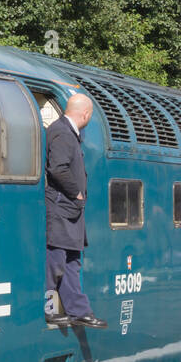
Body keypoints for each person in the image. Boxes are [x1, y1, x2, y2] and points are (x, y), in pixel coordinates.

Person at [45, 93, 106, 328]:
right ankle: (48, 308)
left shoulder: (69, 134)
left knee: (71, 262)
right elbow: (58, 169)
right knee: (55, 261)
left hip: (69, 211)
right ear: (86, 114)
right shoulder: (61, 132)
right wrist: (76, 193)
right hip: (61, 208)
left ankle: (79, 310)